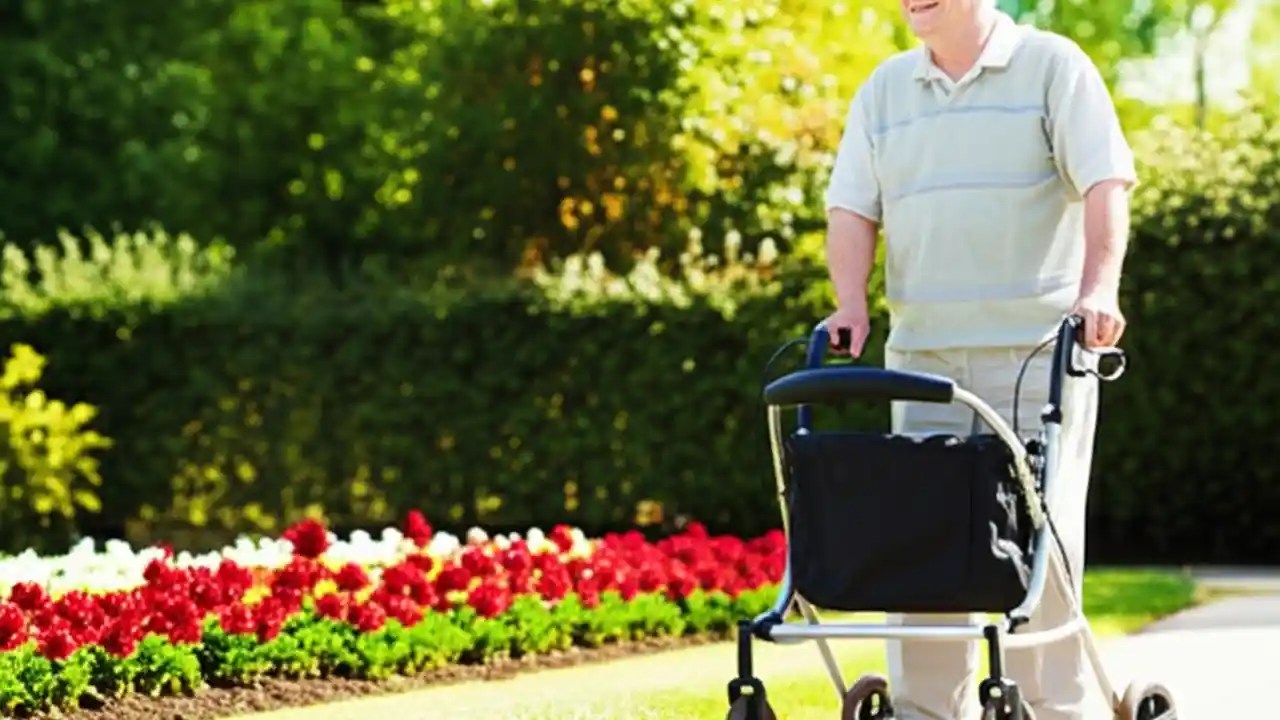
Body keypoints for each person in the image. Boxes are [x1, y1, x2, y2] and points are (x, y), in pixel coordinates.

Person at [820, 0, 1137, 718]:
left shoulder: (1054, 67)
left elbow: (1104, 184)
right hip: (923, 356)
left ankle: (1054, 707)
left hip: (1036, 356)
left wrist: (1099, 291)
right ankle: (925, 708)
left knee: (1039, 539)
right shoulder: (885, 90)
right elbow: (851, 207)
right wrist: (850, 303)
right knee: (922, 538)